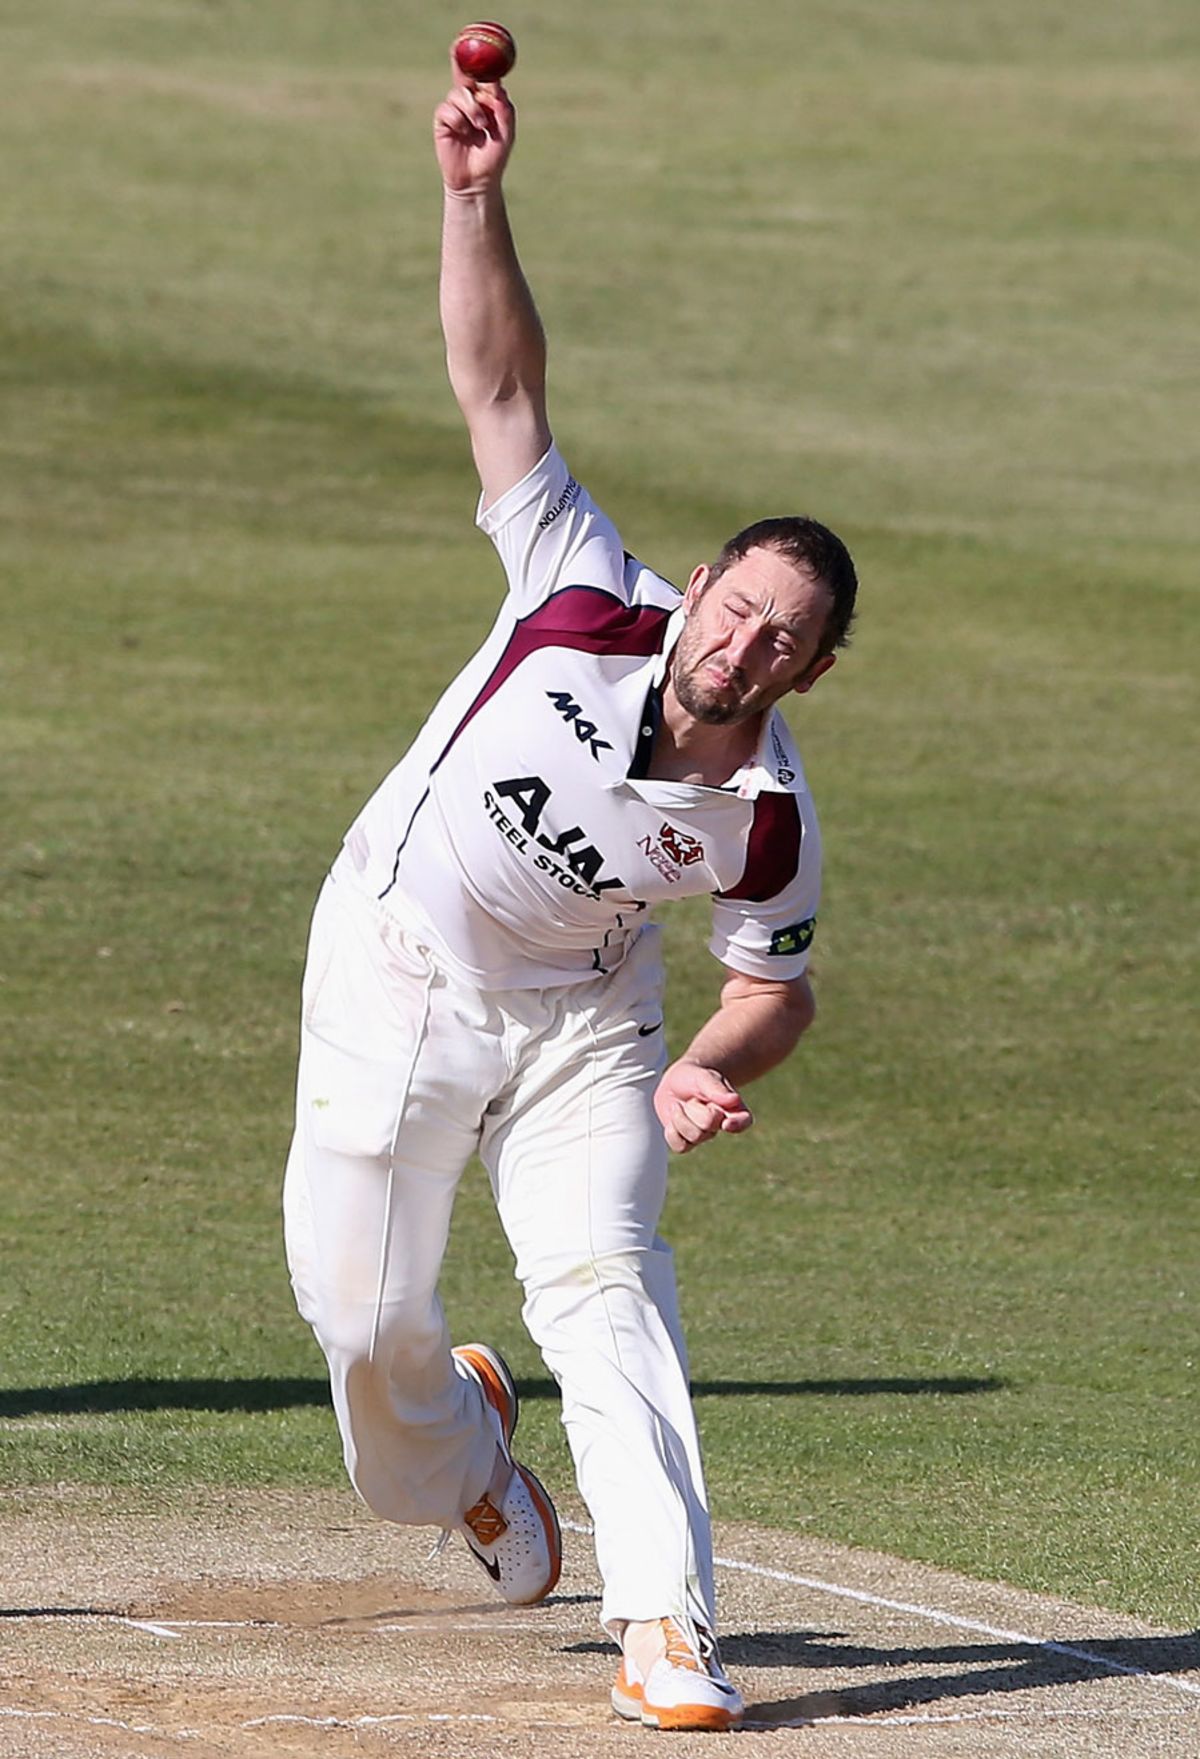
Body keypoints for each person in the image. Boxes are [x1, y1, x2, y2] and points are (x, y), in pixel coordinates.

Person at [283, 60, 858, 1735]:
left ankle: (667, 1625)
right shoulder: (582, 585)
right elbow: (503, 383)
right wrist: (474, 195)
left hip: (587, 1030)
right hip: (396, 964)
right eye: (735, 605)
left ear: (815, 669)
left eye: (781, 638)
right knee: (360, 1314)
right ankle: (461, 1454)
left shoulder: (766, 816)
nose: (740, 642)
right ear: (702, 587)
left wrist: (713, 1068)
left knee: (605, 1288)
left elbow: (777, 986)